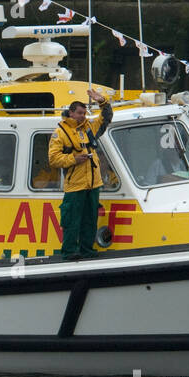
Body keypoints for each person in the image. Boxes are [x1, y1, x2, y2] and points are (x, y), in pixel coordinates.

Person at [48, 90, 113, 260]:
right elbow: (53, 158)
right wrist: (74, 159)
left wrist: (103, 102)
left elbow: (106, 119)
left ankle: (87, 249)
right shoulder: (60, 133)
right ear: (71, 112)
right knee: (71, 221)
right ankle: (69, 251)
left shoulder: (89, 128)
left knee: (90, 220)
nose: (82, 116)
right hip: (75, 184)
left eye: (84, 113)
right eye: (79, 113)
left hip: (93, 183)